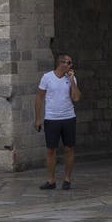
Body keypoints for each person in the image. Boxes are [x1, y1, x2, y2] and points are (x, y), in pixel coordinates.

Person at [34, 53, 81, 190]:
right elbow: (39, 97)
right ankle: (51, 180)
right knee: (50, 149)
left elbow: (76, 98)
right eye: (69, 62)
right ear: (61, 63)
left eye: (71, 63)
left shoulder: (71, 78)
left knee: (69, 148)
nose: (71, 65)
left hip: (68, 117)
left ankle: (67, 179)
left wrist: (72, 80)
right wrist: (38, 118)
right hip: (52, 118)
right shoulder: (47, 77)